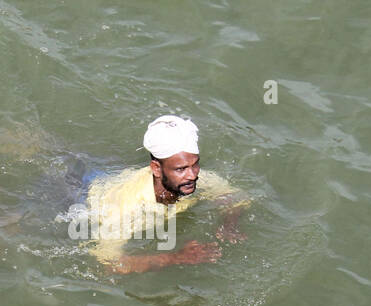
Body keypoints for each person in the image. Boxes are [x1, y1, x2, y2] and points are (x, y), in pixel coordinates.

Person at [78, 115, 248, 274]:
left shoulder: (194, 180)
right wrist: (176, 258)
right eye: (180, 169)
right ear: (156, 168)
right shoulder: (127, 210)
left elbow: (234, 196)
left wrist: (229, 224)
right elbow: (108, 263)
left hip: (116, 177)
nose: (192, 175)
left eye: (195, 165)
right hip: (82, 190)